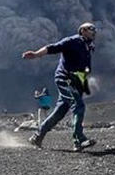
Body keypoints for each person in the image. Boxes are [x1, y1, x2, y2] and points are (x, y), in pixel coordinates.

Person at [22, 22, 97, 151]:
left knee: (59, 112)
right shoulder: (72, 41)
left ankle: (37, 137)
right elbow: (52, 47)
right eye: (91, 29)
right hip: (65, 78)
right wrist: (36, 54)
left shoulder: (88, 46)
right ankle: (79, 140)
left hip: (76, 81)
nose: (94, 32)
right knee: (78, 105)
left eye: (95, 29)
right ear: (82, 31)